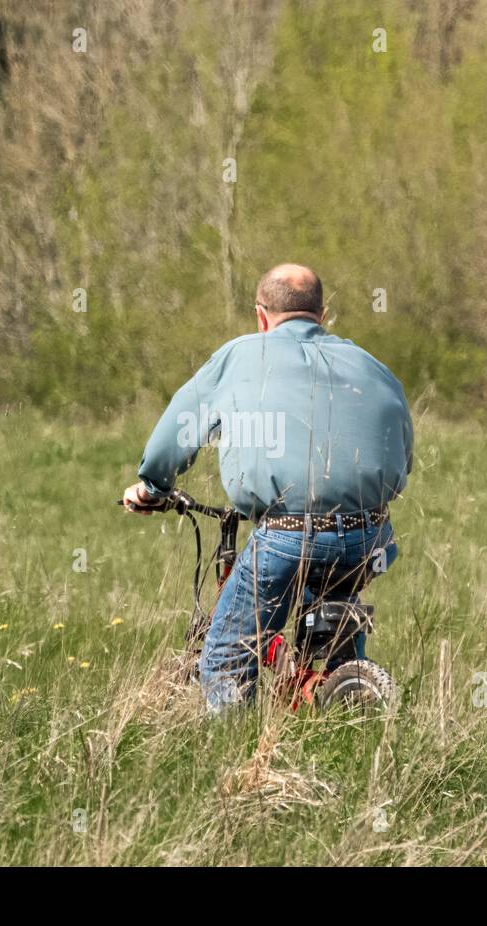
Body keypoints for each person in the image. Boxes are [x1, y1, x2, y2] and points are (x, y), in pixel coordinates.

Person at [121, 263, 413, 711]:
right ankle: (346, 698)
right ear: (323, 313)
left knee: (226, 658)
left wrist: (152, 487)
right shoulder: (369, 363)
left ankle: (233, 760)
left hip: (287, 534)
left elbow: (176, 432)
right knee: (333, 634)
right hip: (370, 536)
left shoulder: (241, 355)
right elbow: (404, 452)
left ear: (261, 316)